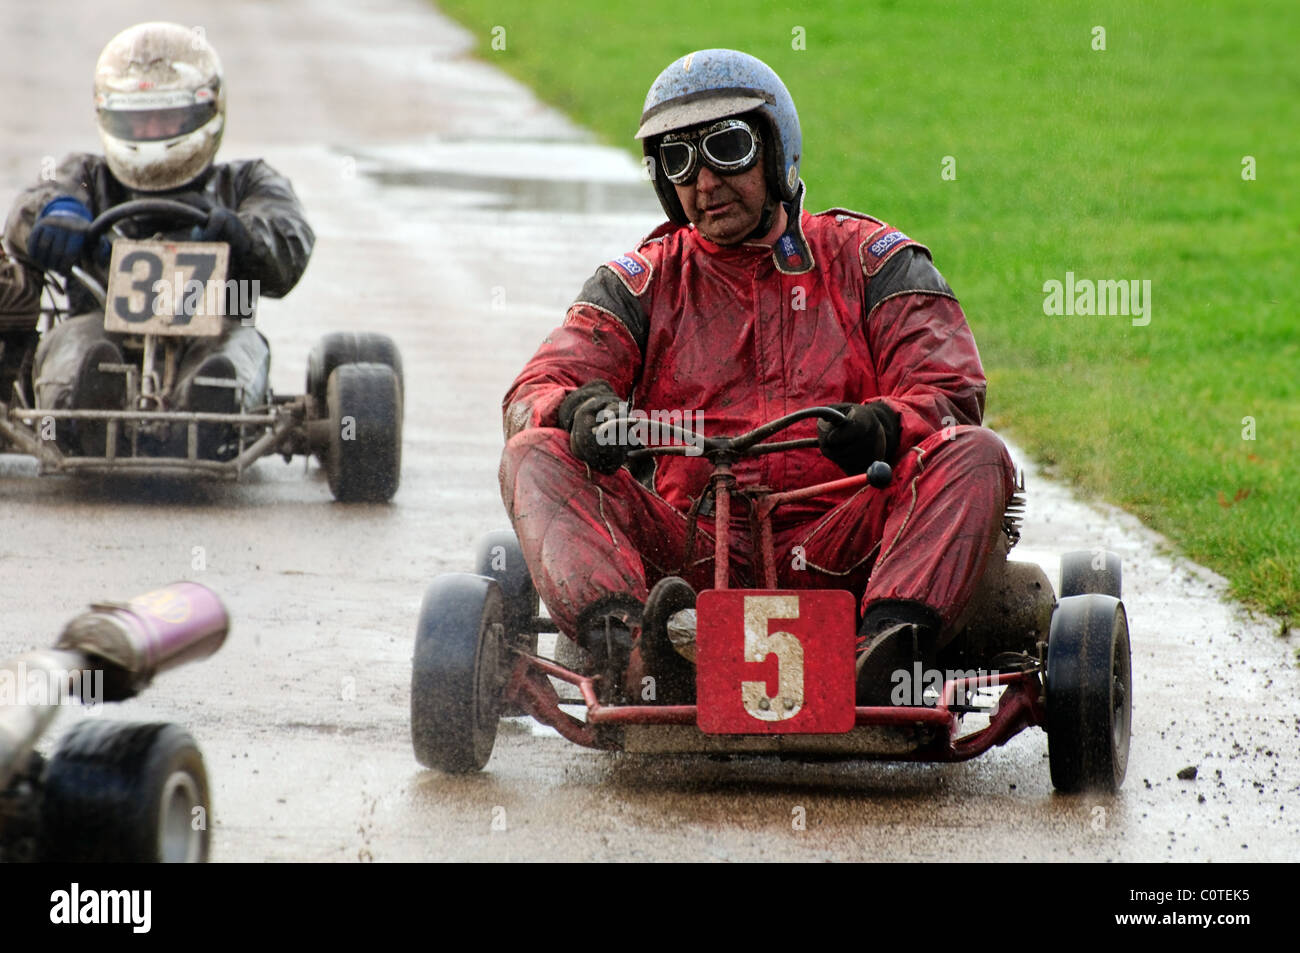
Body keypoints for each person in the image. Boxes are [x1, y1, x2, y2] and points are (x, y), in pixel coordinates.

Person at [500, 49, 1018, 704]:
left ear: (777, 150)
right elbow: (530, 394)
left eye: (726, 147)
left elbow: (952, 393)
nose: (706, 182)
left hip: (845, 540)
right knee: (535, 454)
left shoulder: (869, 259)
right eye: (680, 162)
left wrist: (885, 425)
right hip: (692, 551)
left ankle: (888, 647)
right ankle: (630, 648)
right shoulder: (642, 282)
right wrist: (578, 412)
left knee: (975, 455)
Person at [1, 21, 314, 458]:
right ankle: (85, 414)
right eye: (138, 120)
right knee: (82, 345)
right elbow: (32, 204)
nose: (151, 132)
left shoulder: (245, 182)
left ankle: (208, 413)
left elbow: (288, 235)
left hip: (214, 332)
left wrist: (243, 236)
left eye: (166, 117)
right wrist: (57, 215)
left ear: (205, 113)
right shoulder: (87, 176)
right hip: (99, 328)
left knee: (230, 354)